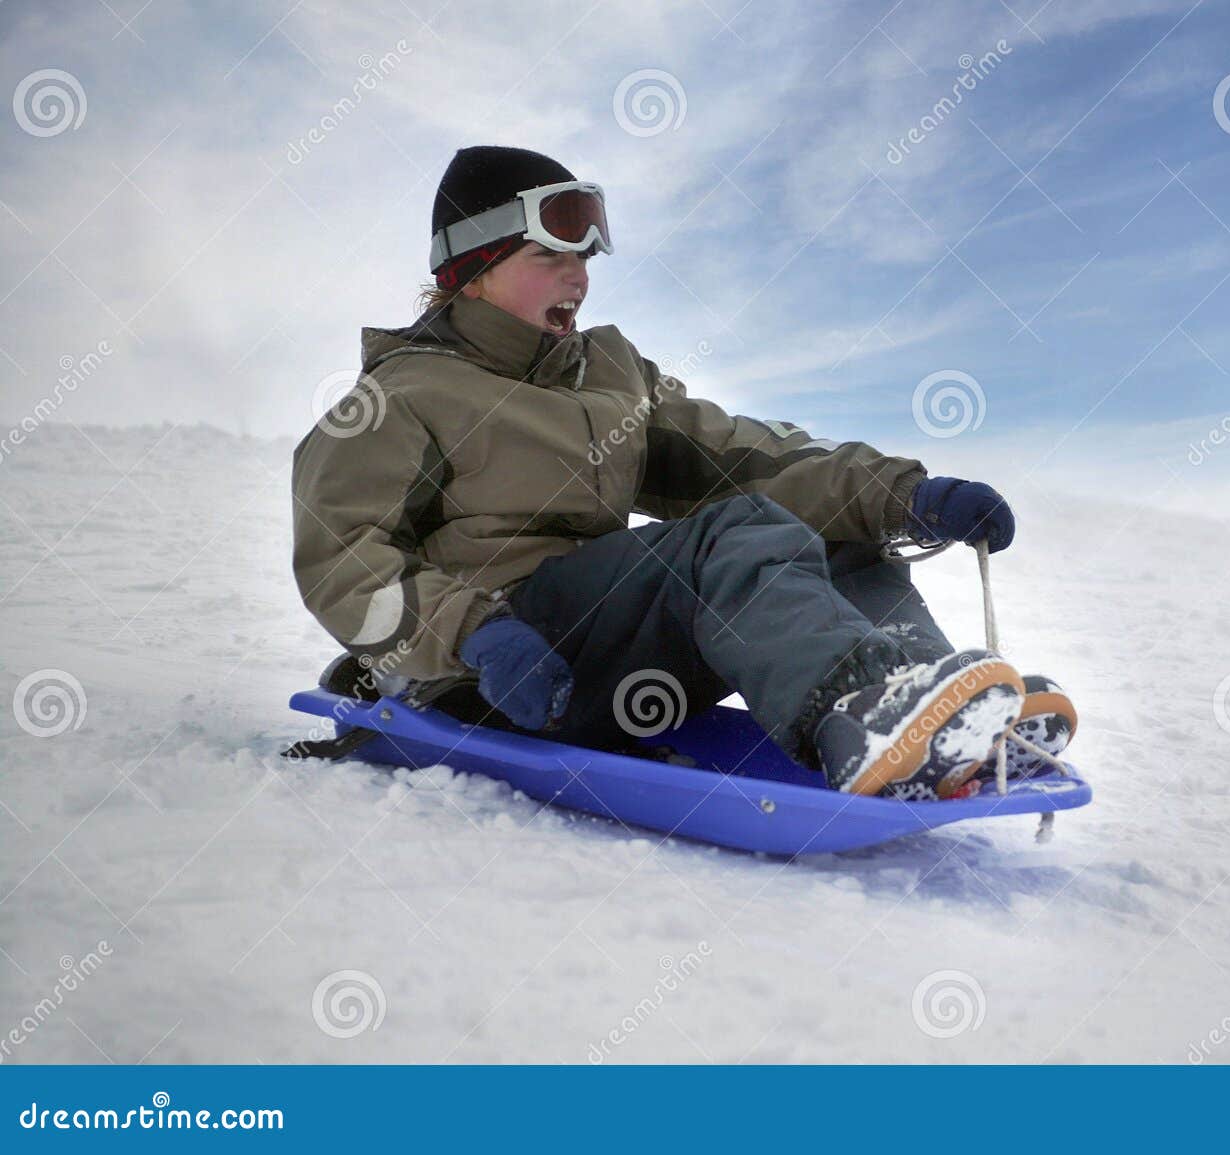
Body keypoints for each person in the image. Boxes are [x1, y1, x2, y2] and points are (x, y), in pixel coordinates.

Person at [291, 145, 1075, 801]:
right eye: (549, 255)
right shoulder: (405, 393)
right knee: (727, 540)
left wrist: (899, 496)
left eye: (584, 256)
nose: (579, 275)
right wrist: (474, 635)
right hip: (498, 672)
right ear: (472, 271)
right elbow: (341, 553)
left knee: (831, 534)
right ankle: (858, 719)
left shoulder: (608, 373)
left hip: (605, 653)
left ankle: (933, 713)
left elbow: (744, 459)